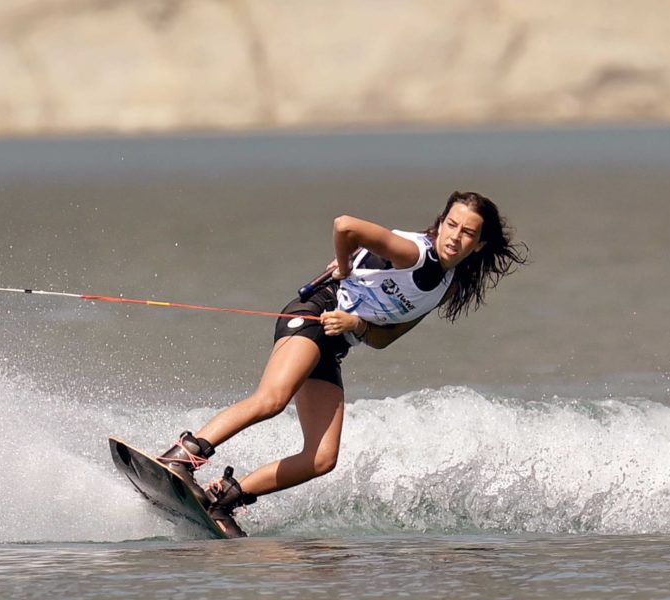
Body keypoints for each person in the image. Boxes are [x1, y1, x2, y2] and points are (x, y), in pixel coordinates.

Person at [159, 190, 527, 536]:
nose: (454, 237)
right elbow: (345, 224)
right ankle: (182, 457)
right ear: (441, 222)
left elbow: (386, 338)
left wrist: (358, 325)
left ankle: (224, 501)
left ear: (479, 245)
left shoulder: (443, 285)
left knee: (322, 458)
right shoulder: (414, 253)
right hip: (315, 313)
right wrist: (346, 266)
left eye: (467, 233)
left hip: (334, 342)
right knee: (272, 399)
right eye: (451, 225)